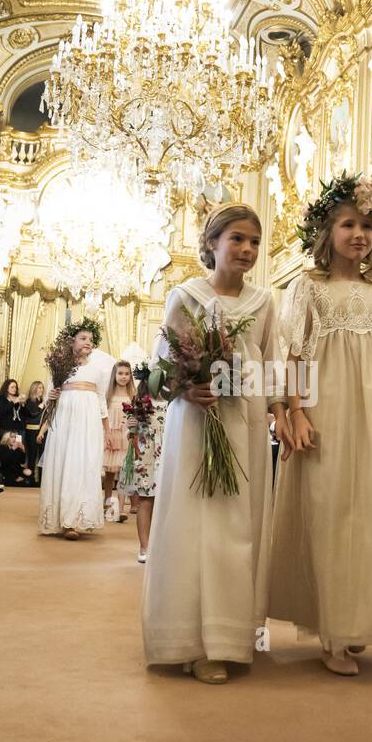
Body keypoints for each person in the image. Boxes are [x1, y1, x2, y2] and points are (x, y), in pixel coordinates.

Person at [267, 175, 372, 677]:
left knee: (365, 511)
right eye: (348, 224)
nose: (360, 234)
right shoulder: (308, 286)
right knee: (329, 508)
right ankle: (331, 628)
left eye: (367, 225)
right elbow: (293, 354)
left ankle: (354, 617)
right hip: (326, 407)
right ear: (326, 231)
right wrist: (299, 411)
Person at [142, 204, 289, 682]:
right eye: (237, 239)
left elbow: (271, 367)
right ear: (212, 244)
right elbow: (158, 371)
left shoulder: (265, 302)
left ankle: (230, 636)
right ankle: (192, 639)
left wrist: (281, 416)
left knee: (236, 527)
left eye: (254, 242)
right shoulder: (184, 296)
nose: (246, 250)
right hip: (196, 421)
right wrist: (184, 386)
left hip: (243, 425)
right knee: (196, 526)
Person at [36, 318, 114, 539]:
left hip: (88, 422)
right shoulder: (60, 367)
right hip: (65, 419)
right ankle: (62, 520)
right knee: (64, 463)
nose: (87, 342)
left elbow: (100, 401)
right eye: (82, 338)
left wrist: (106, 429)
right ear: (72, 342)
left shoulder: (99, 370)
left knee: (83, 464)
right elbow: (50, 396)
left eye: (90, 339)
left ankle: (79, 518)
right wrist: (51, 397)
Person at [124, 367, 168, 564]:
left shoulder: (172, 402)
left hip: (168, 452)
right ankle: (144, 545)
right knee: (145, 499)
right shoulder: (140, 401)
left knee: (167, 501)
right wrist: (131, 430)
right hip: (147, 454)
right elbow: (132, 432)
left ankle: (165, 545)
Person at [102, 361, 135, 522]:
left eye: (126, 374)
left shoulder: (132, 395)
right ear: (114, 376)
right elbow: (103, 417)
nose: (123, 377)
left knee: (124, 472)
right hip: (111, 436)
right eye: (120, 373)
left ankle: (121, 508)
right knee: (109, 473)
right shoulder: (108, 396)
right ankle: (107, 505)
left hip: (125, 437)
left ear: (130, 376)